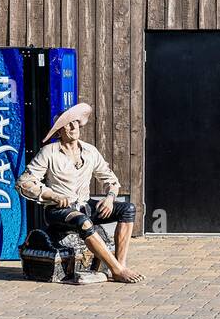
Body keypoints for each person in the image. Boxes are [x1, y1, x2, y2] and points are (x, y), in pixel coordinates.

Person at [18, 102, 144, 284]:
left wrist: (110, 198)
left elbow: (112, 180)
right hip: (58, 210)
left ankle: (119, 265)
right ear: (59, 131)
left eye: (75, 122)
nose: (73, 126)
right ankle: (117, 270)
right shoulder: (49, 152)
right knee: (82, 221)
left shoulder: (90, 151)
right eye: (68, 124)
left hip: (84, 204)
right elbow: (24, 182)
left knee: (128, 209)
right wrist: (52, 195)